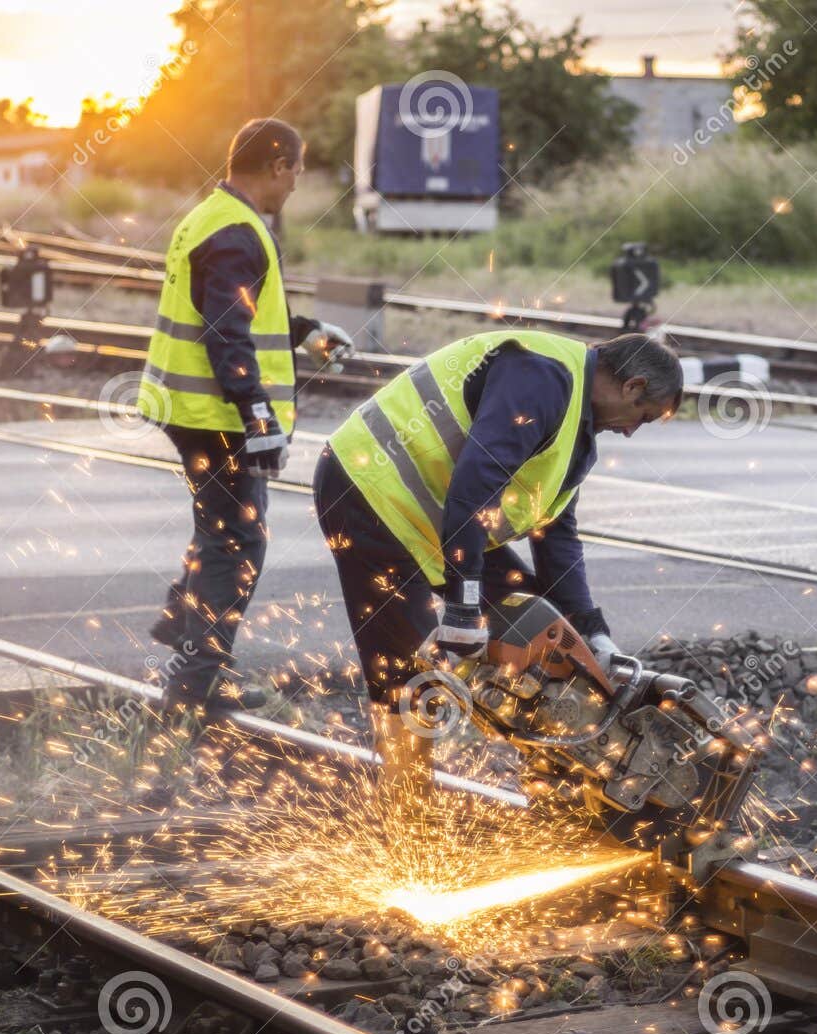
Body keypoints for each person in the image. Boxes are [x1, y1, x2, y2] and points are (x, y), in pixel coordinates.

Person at [316, 329, 683, 793]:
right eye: (642, 418)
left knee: (542, 633)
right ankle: (406, 814)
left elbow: (556, 536)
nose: (631, 431)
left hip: (439, 519)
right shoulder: (543, 377)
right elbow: (474, 486)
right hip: (367, 491)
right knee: (409, 675)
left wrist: (592, 633)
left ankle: (562, 779)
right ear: (631, 387)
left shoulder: (576, 426)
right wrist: (464, 608)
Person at [138, 117, 351, 716]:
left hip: (195, 409)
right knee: (240, 541)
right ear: (279, 165)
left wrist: (306, 333)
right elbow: (225, 333)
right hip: (218, 415)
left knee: (219, 529)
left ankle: (184, 623)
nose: (296, 184)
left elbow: (240, 312)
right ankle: (200, 673)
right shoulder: (236, 231)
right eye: (297, 171)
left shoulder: (211, 217)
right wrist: (259, 418)